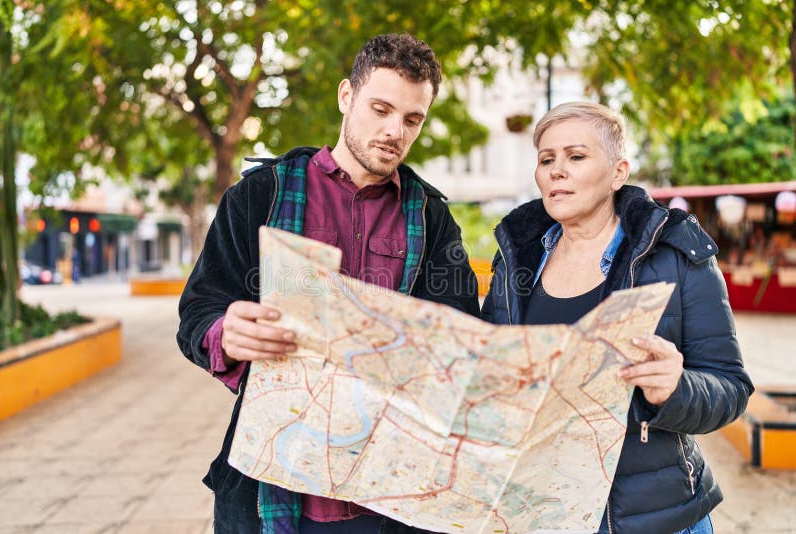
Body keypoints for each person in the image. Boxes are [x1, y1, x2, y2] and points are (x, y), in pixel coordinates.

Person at [177, 33, 479, 534]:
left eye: (411, 119)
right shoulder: (259, 196)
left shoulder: (432, 218)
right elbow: (200, 308)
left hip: (388, 496)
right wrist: (223, 332)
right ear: (346, 96)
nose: (393, 131)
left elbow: (460, 330)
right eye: (380, 109)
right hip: (275, 487)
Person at [481, 101, 753, 533]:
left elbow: (731, 387)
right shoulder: (515, 263)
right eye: (546, 159)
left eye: (576, 156)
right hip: (543, 514)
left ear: (618, 172)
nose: (556, 170)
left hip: (655, 519)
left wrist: (675, 389)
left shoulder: (677, 255)